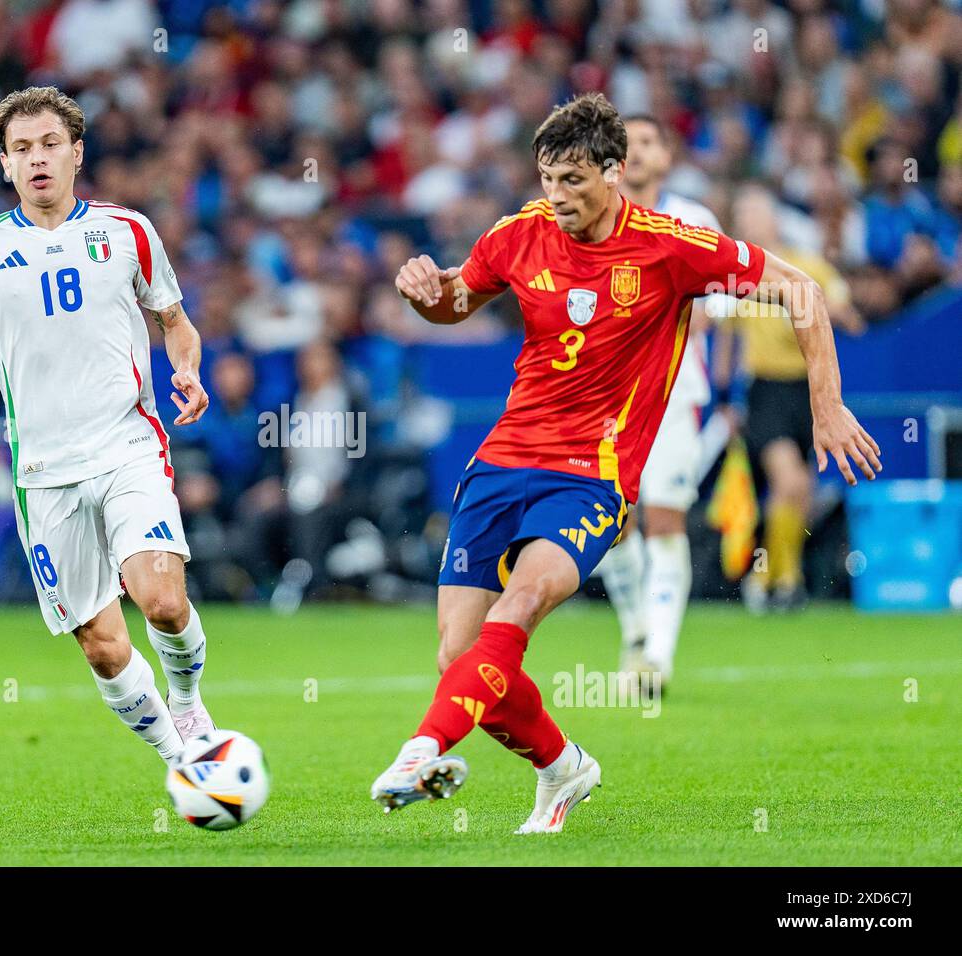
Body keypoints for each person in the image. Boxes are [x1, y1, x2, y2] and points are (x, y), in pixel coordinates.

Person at [371, 93, 880, 833]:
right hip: (502, 461)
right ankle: (563, 770)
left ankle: (419, 750)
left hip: (591, 476)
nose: (557, 195)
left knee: (522, 605)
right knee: (460, 653)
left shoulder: (670, 248)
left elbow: (800, 291)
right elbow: (456, 302)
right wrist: (426, 295)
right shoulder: (520, 233)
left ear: (615, 172)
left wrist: (825, 405)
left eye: (573, 180)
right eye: (548, 178)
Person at [0, 86, 215, 765]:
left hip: (127, 445)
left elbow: (175, 321)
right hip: (43, 474)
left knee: (162, 600)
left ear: (77, 153)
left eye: (50, 144)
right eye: (21, 149)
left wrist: (188, 371)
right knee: (103, 645)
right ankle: (185, 767)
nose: (37, 159)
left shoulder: (128, 231)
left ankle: (189, 702)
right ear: (4, 166)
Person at [594, 114, 735, 690]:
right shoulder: (592, 220)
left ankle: (658, 655)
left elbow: (711, 308)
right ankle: (635, 631)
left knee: (665, 518)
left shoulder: (693, 220)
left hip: (675, 394)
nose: (639, 151)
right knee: (609, 524)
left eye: (649, 141)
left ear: (666, 156)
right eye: (629, 143)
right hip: (605, 399)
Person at [712, 183, 864, 612]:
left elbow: (848, 316)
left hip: (810, 390)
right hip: (765, 391)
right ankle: (782, 578)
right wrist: (723, 396)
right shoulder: (734, 272)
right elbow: (725, 338)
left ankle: (772, 578)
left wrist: (825, 310)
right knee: (789, 480)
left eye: (755, 211)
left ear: (775, 218)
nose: (748, 220)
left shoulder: (805, 266)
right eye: (742, 213)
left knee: (800, 491)